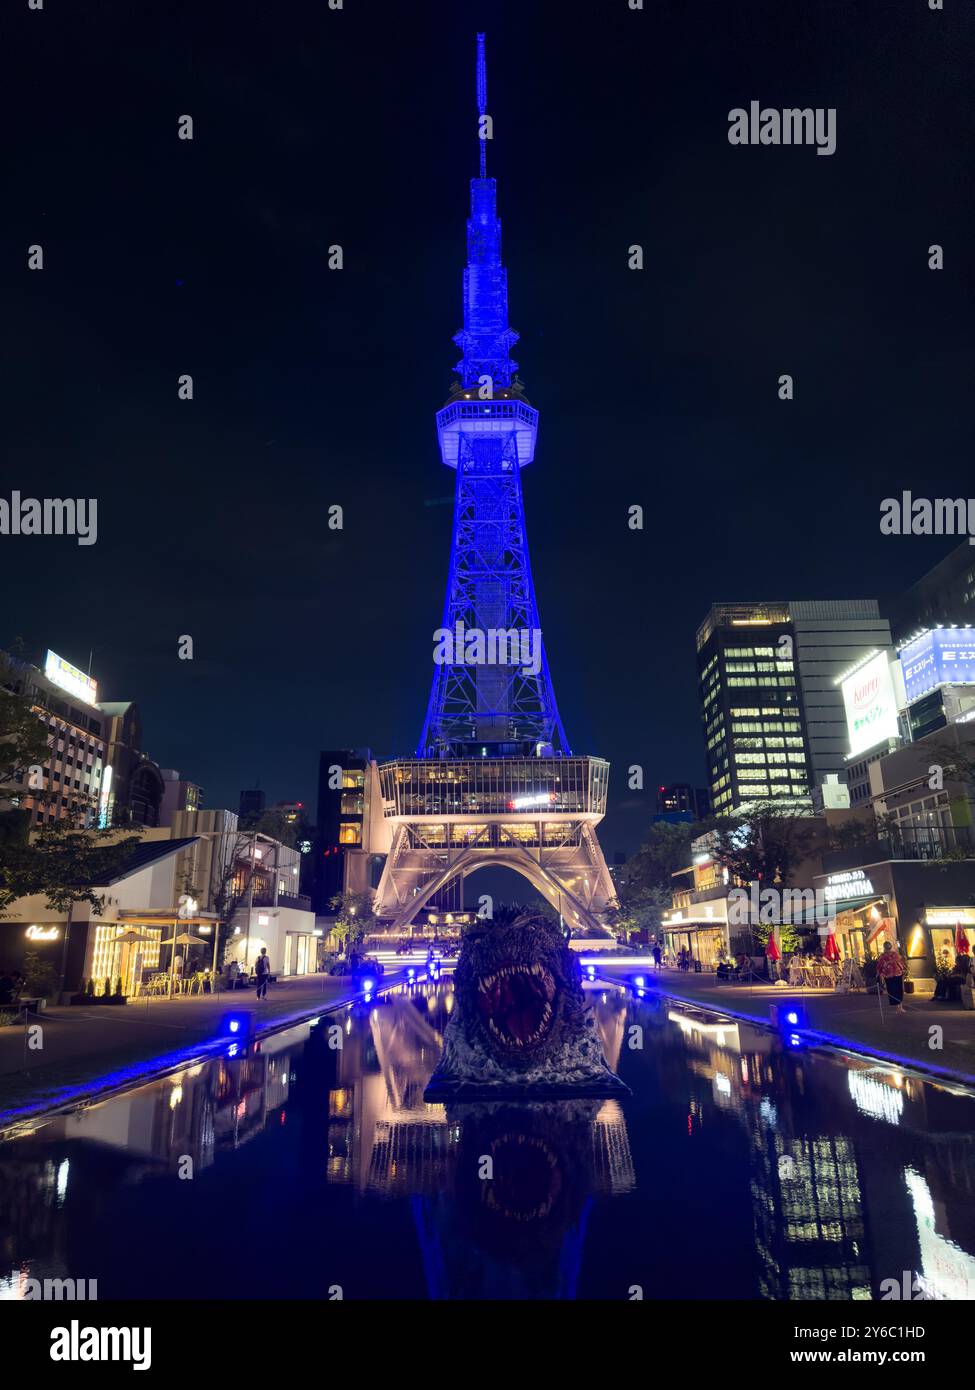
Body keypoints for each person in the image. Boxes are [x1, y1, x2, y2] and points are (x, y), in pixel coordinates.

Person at [876, 940, 907, 1011]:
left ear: (884, 947)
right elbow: (900, 962)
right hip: (897, 973)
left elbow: (879, 966)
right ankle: (900, 1006)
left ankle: (898, 1006)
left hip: (889, 975)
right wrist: (903, 970)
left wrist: (879, 973)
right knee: (899, 990)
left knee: (893, 991)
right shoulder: (895, 954)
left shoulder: (883, 956)